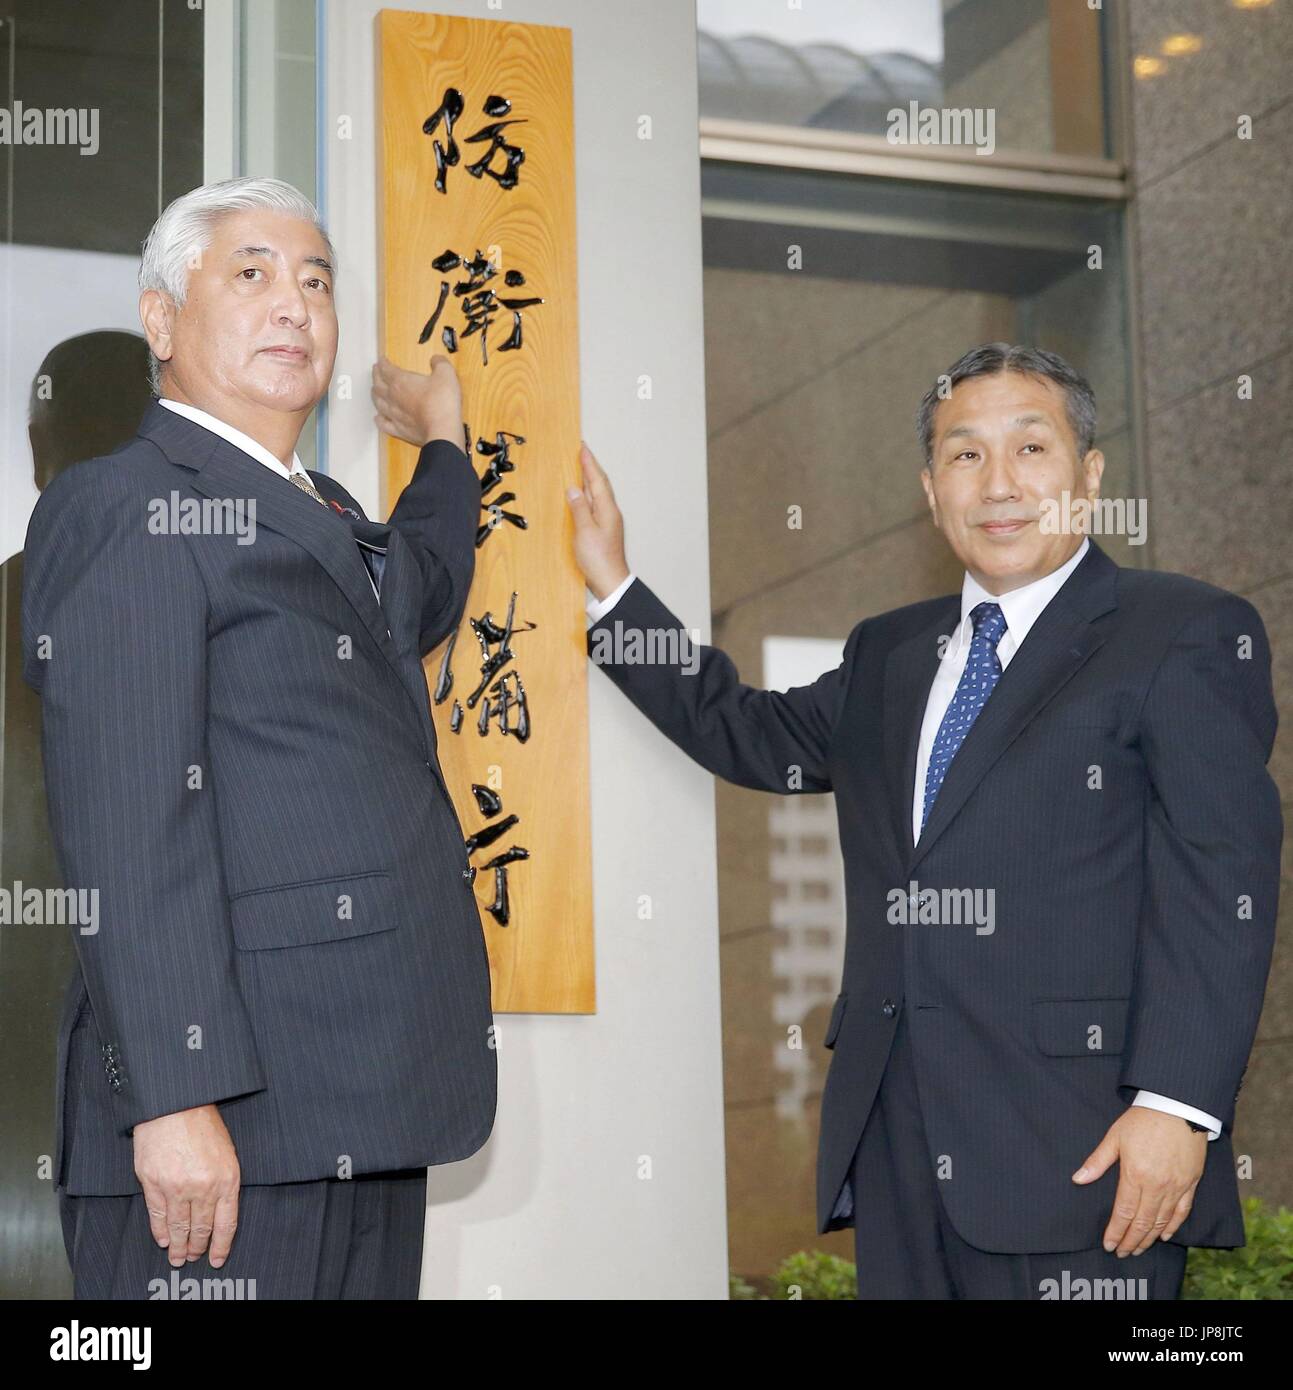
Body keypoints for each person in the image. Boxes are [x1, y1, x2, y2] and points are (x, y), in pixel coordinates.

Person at [567, 343, 1281, 1300]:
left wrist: (1177, 1106)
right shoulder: (890, 653)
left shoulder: (1180, 633)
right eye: (963, 455)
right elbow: (744, 731)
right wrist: (614, 587)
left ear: (1090, 475)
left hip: (1086, 1152)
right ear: (930, 487)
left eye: (1031, 449)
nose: (998, 484)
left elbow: (1220, 883)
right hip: (900, 1146)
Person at [22, 177, 494, 1300]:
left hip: (360, 1108)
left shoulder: (316, 507)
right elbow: (127, 820)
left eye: (316, 281)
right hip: (224, 1131)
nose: (295, 304)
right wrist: (177, 1099)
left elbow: (415, 589)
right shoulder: (129, 501)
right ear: (162, 319)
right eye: (253, 275)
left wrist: (445, 443)